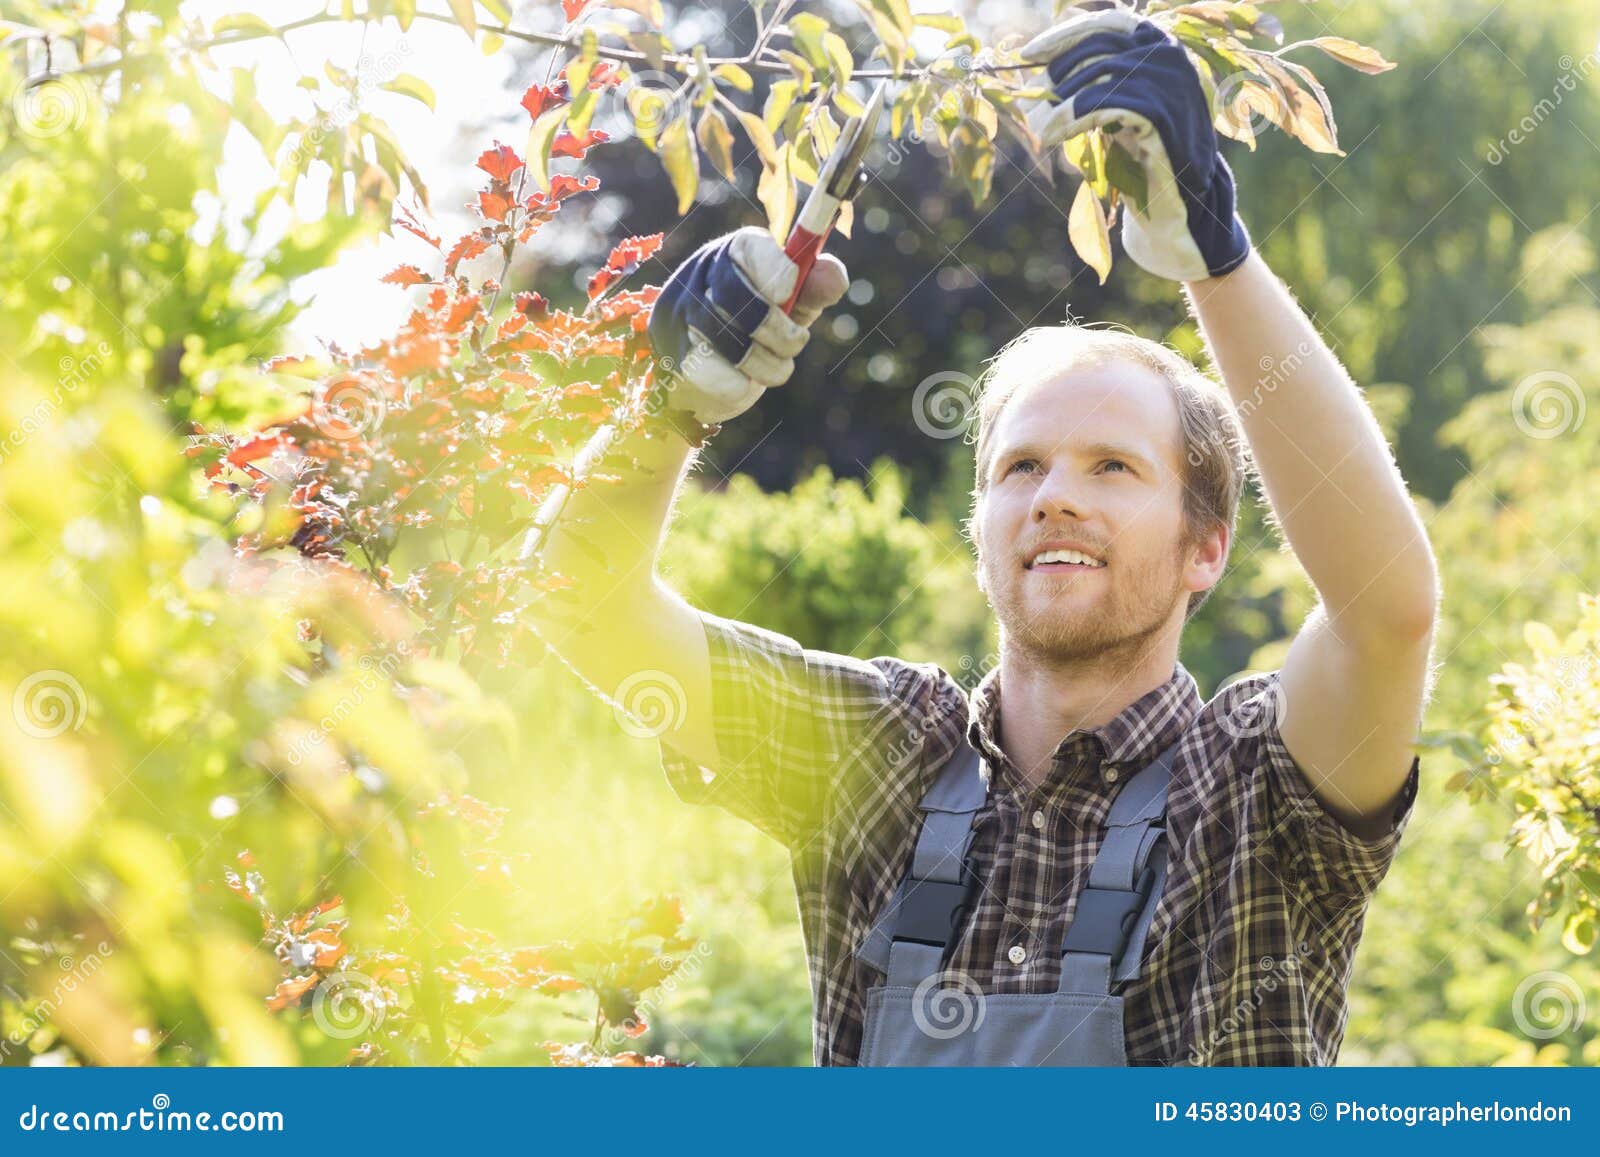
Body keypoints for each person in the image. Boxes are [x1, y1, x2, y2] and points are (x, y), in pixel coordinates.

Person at [529, 9, 1435, 1066]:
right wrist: (664, 411)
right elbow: (575, 601)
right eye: (1020, 467)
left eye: (1113, 466)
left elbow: (1386, 608)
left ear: (1206, 547)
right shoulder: (879, 753)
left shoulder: (1253, 786)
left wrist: (1213, 258)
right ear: (981, 527)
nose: (1054, 496)